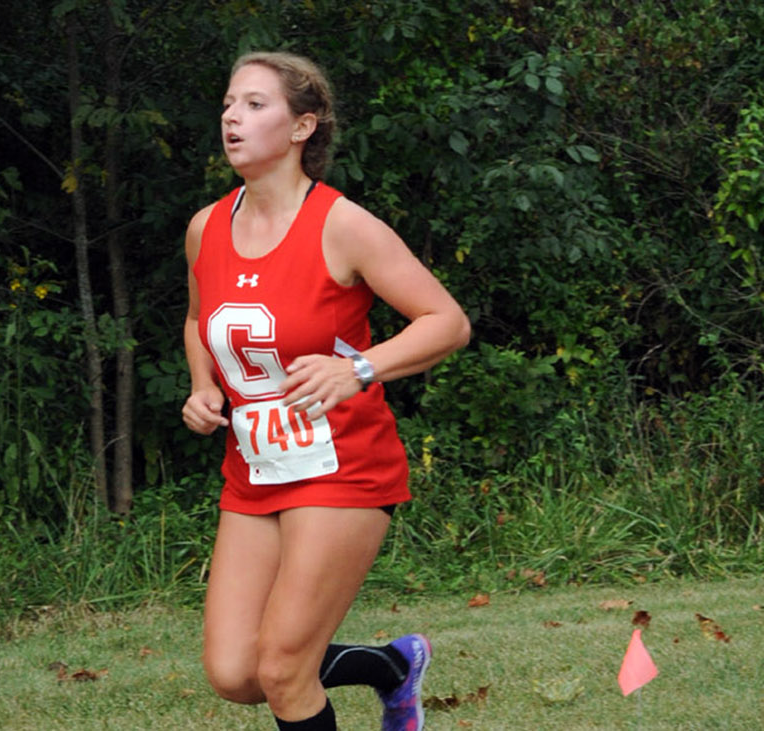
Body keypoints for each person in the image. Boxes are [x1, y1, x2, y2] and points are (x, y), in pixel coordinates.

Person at [181, 51, 471, 731]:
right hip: (254, 468)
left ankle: (368, 678)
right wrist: (202, 386)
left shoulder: (342, 225)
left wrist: (359, 368)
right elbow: (199, 319)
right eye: (228, 102)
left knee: (283, 669)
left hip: (342, 465)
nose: (232, 117)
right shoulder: (205, 227)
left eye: (255, 105)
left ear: (302, 126)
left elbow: (448, 322)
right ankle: (393, 668)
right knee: (236, 672)